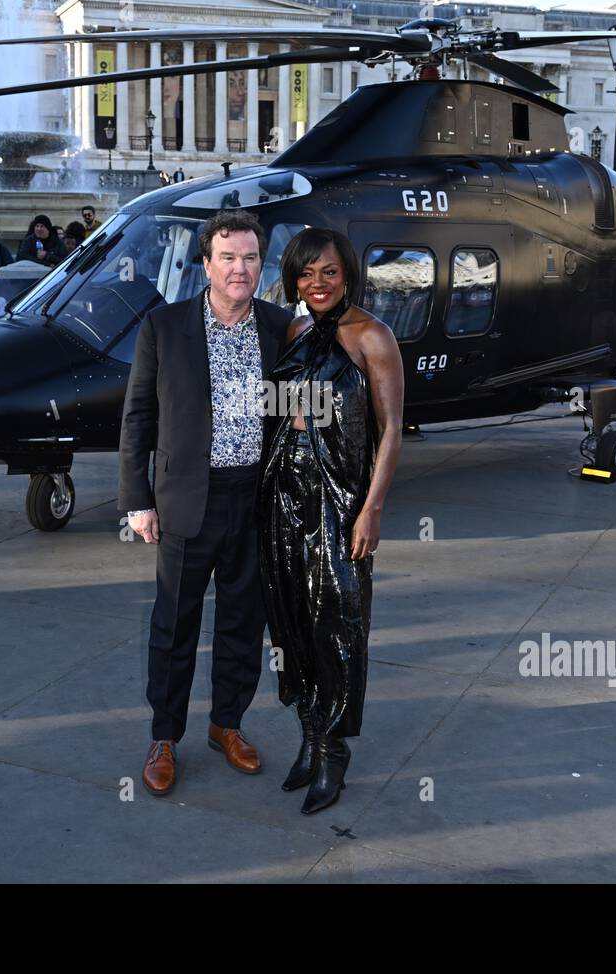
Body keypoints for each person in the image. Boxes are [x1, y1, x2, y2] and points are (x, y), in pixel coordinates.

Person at [119, 209, 295, 797]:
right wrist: (137, 501)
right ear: (206, 264)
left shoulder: (280, 326)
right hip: (186, 500)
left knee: (246, 623)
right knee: (175, 624)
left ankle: (228, 725)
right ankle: (164, 737)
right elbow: (138, 418)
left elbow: (304, 409)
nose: (240, 268)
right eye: (228, 257)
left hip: (256, 501)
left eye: (249, 257)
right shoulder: (164, 327)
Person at [257, 227, 403, 814]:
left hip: (341, 496)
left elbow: (392, 429)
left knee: (337, 625)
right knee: (291, 620)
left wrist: (370, 509)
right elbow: (280, 411)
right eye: (306, 274)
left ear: (348, 276)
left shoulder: (372, 335)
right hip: (282, 487)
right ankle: (310, 738)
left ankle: (334, 751)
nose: (316, 284)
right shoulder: (293, 331)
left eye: (329, 273)